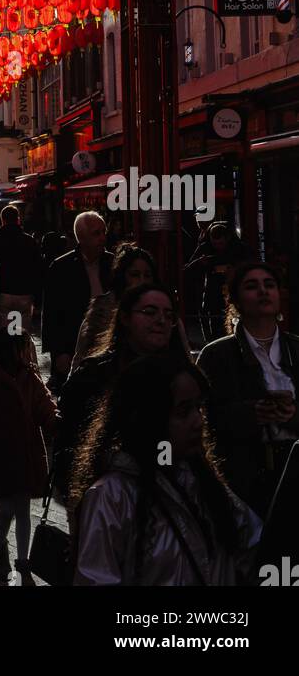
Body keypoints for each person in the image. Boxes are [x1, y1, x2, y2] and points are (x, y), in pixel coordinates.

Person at [71, 356, 261, 585]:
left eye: (199, 408)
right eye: (183, 411)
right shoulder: (111, 496)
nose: (198, 421)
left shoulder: (200, 480)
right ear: (149, 418)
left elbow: (254, 546)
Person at [55, 283, 188, 495]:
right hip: (105, 495)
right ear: (125, 318)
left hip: (169, 493)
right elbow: (69, 441)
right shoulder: (93, 375)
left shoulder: (181, 376)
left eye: (168, 314)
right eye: (149, 312)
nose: (161, 320)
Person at [197, 260, 299, 517]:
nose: (263, 291)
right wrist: (250, 413)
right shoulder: (216, 355)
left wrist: (292, 414)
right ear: (237, 301)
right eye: (252, 286)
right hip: (243, 478)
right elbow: (203, 419)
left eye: (269, 285)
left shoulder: (296, 349)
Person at [0, 328, 59, 584]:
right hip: (3, 457)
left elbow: (45, 406)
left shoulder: (30, 378)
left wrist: (56, 422)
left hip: (26, 455)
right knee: (6, 510)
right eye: (23, 347)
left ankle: (22, 561)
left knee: (22, 509)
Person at [41, 211, 114, 385]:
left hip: (108, 340)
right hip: (74, 342)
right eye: (96, 233)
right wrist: (58, 352)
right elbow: (52, 313)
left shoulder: (113, 262)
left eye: (104, 232)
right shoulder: (61, 267)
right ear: (81, 238)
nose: (103, 238)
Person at [70, 242, 156, 371]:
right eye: (135, 275)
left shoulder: (163, 311)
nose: (142, 281)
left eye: (147, 275)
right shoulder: (100, 311)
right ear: (123, 276)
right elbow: (80, 360)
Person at [186, 221, 252, 343]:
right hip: (212, 289)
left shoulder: (239, 248)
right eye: (214, 243)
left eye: (221, 243)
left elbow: (250, 265)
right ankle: (210, 341)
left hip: (234, 288)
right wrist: (201, 263)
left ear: (227, 239)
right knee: (210, 317)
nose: (218, 247)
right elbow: (188, 269)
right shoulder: (205, 247)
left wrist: (234, 268)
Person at [0, 204, 43, 333]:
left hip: (3, 292)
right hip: (24, 292)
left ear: (2, 220)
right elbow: (37, 270)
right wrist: (38, 297)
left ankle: (9, 351)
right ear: (18, 219)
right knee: (22, 333)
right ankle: (20, 351)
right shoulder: (29, 241)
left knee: (5, 333)